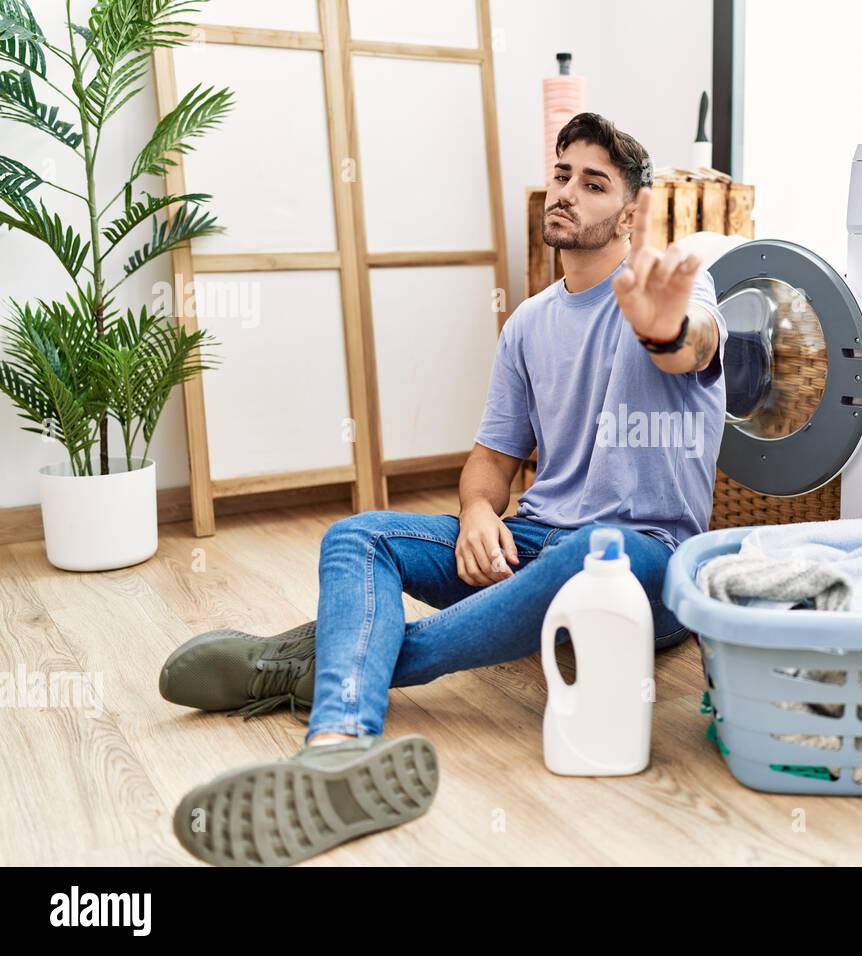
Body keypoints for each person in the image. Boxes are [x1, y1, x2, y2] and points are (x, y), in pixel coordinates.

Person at [160, 113, 729, 866]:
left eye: (593, 184)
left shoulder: (677, 296)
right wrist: (475, 512)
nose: (566, 193)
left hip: (642, 568)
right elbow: (491, 459)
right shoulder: (528, 324)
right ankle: (336, 745)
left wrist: (663, 332)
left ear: (629, 213)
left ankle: (335, 661)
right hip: (529, 551)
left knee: (601, 548)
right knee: (357, 536)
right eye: (562, 175)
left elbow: (694, 345)